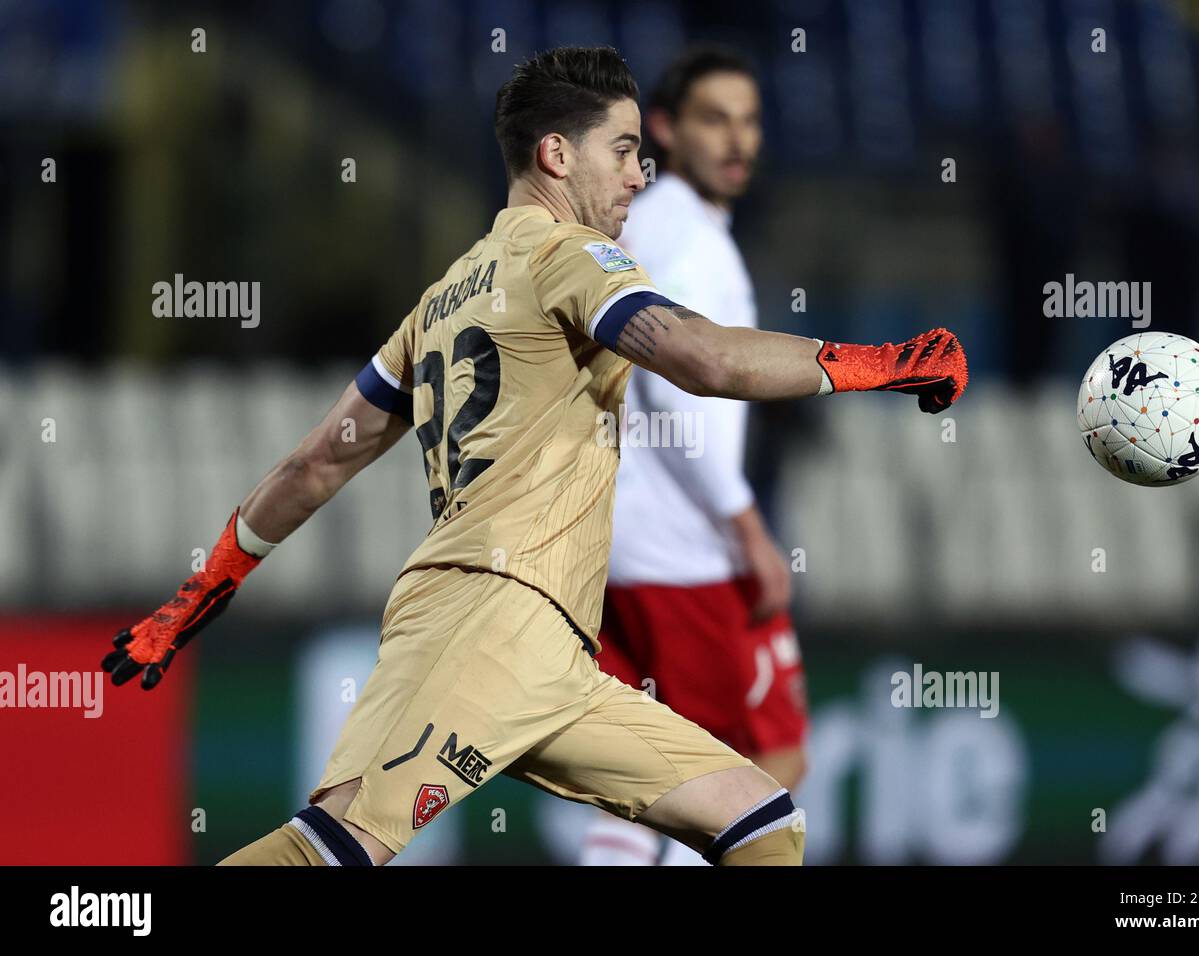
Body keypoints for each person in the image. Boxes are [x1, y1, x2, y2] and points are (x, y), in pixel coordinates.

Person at [102, 46, 968, 868]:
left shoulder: (441, 299)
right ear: (557, 154)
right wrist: (880, 364)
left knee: (761, 822)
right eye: (623, 150)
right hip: (489, 617)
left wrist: (197, 592)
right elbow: (706, 359)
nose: (641, 173)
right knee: (335, 845)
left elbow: (317, 464)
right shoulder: (574, 258)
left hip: (552, 653)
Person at [580, 48, 807, 867]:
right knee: (741, 775)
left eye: (749, 120)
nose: (738, 139)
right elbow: (673, 389)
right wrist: (746, 526)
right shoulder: (689, 241)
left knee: (648, 770)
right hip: (679, 552)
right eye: (715, 119)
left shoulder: (646, 224)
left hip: (618, 543)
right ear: (667, 131)